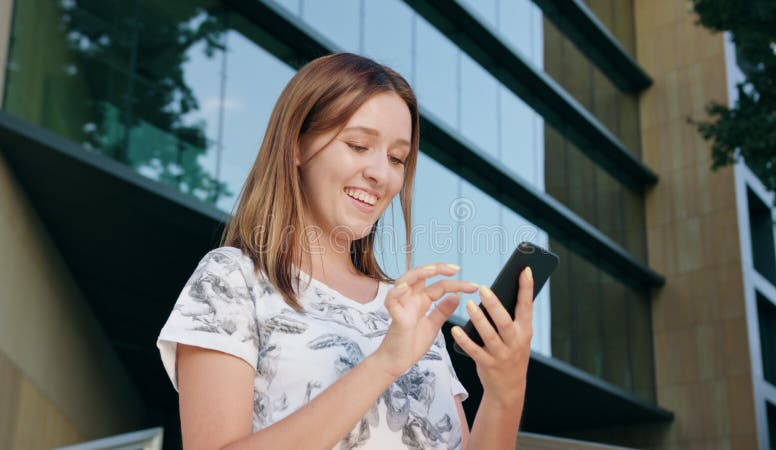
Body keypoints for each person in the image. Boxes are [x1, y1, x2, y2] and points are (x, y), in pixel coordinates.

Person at [156, 52, 535, 450]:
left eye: (396, 158)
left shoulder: (408, 308)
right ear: (297, 145)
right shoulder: (232, 280)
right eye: (358, 145)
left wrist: (505, 391)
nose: (382, 174)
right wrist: (382, 364)